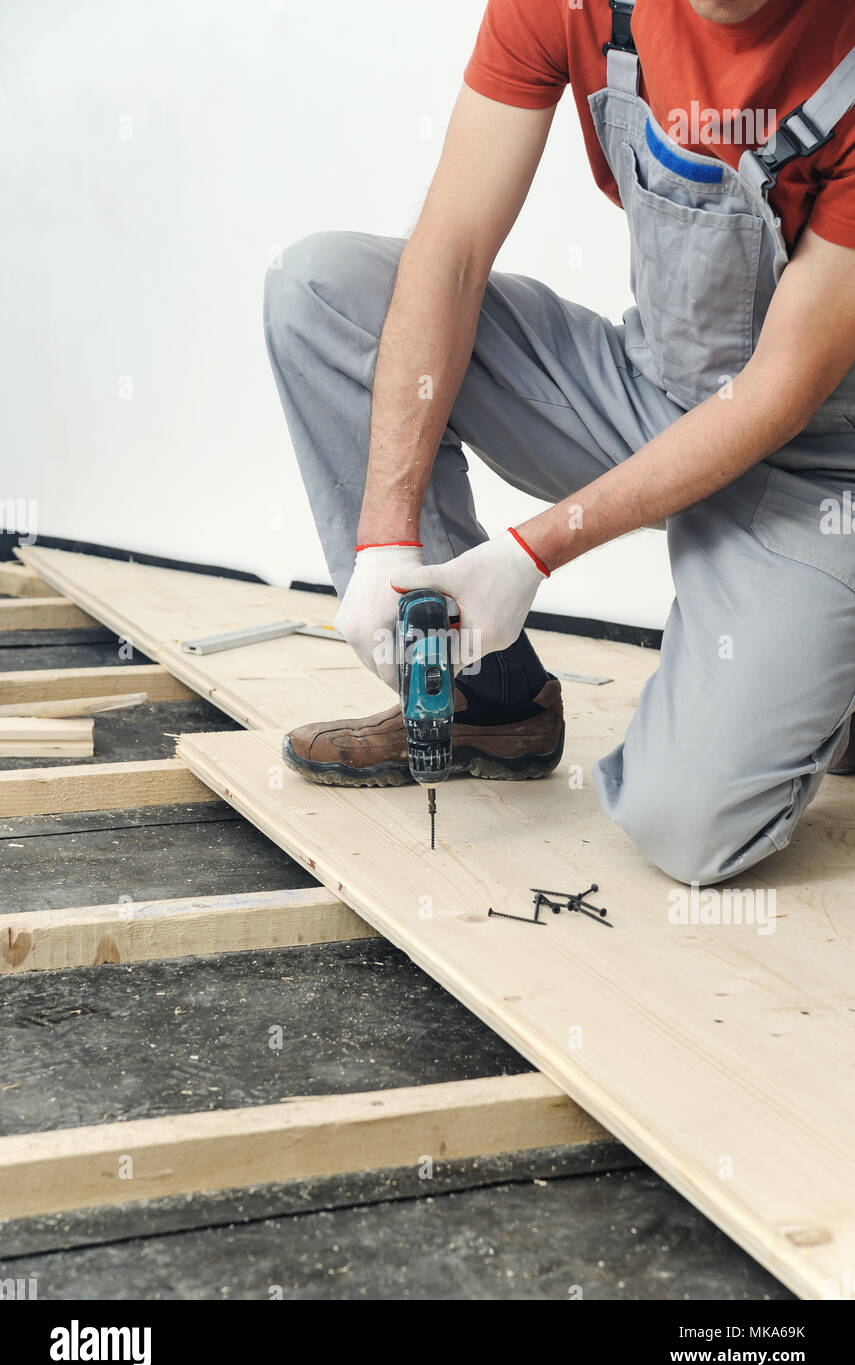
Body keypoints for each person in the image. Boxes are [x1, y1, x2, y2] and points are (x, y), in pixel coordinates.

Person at [263, 0, 855, 885]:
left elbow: (775, 394)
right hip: (645, 396)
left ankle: (826, 684)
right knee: (322, 291)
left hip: (814, 466)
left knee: (687, 829)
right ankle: (482, 700)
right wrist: (387, 536)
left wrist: (531, 553)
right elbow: (452, 252)